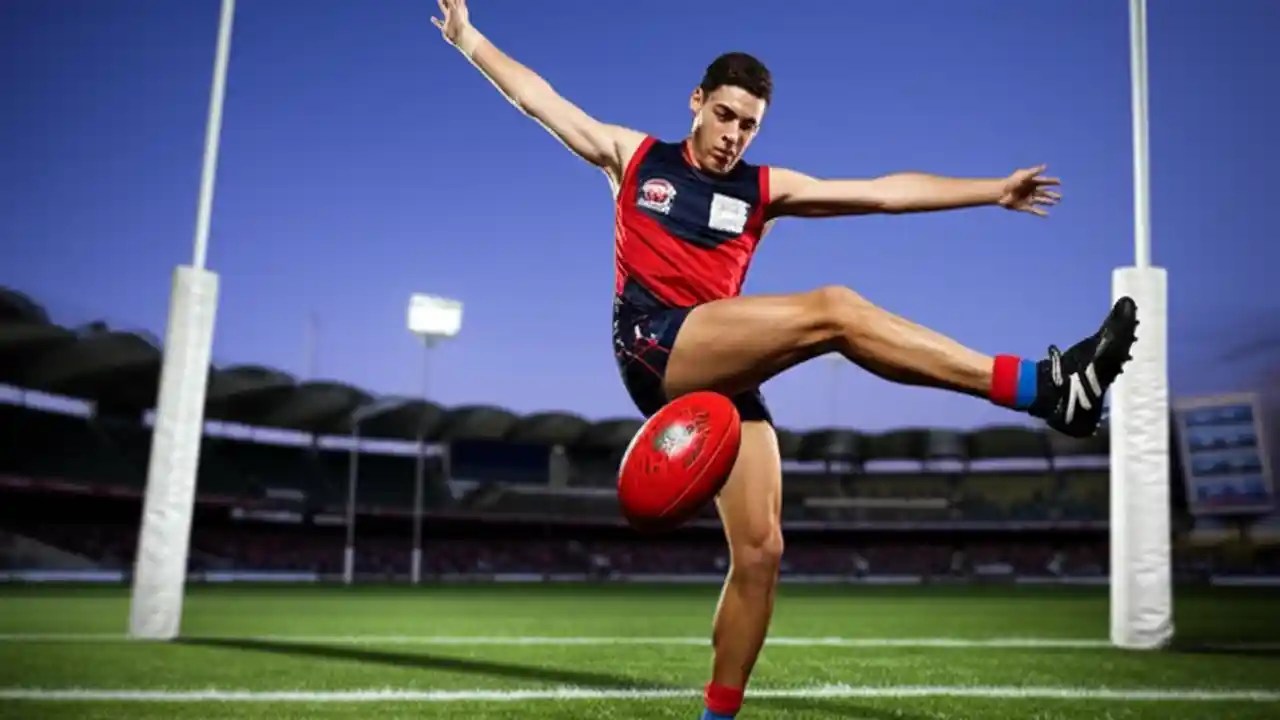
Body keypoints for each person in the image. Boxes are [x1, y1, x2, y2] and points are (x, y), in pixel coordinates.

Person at [430, 1, 1139, 717]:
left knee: (763, 553)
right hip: (656, 346)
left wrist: (993, 191)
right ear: (697, 102)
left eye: (749, 125)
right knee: (834, 309)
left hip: (726, 371)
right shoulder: (633, 156)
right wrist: (468, 39)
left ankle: (717, 715)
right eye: (725, 115)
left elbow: (882, 194)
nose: (733, 135)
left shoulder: (762, 190)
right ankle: (1046, 390)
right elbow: (538, 98)